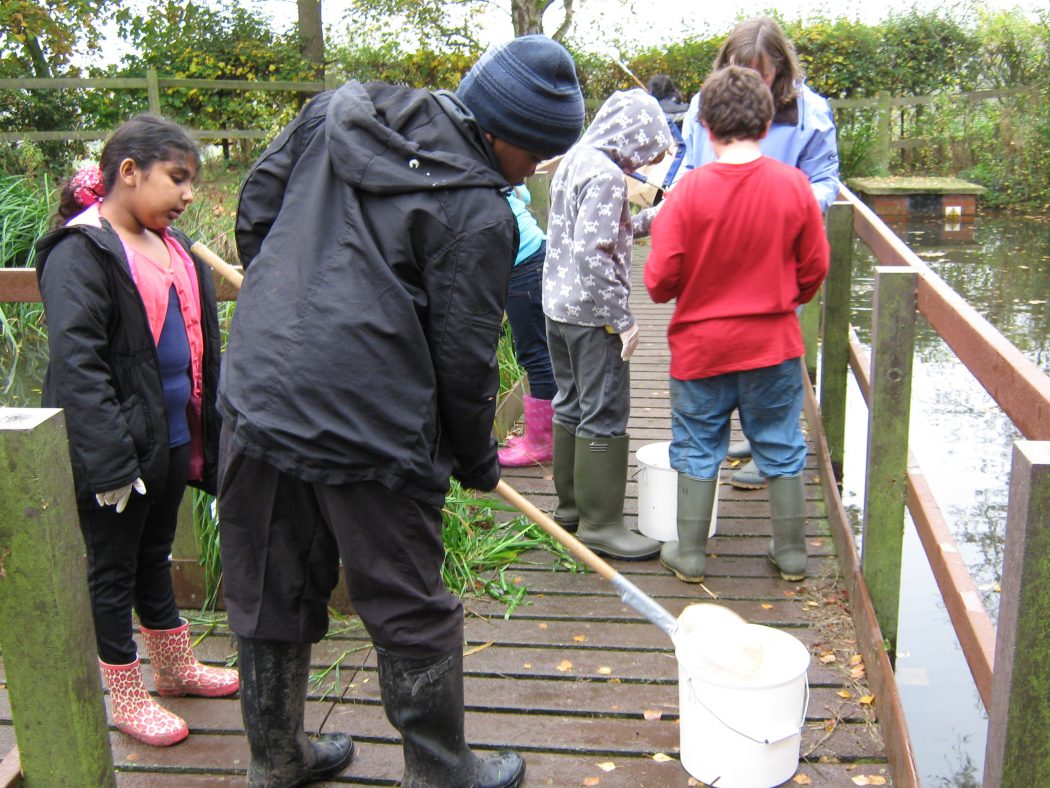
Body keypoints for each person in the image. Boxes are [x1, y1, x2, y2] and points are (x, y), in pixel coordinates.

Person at [217, 35, 585, 788]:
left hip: (259, 389)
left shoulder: (337, 111)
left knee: (268, 577)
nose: (534, 171)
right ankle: (441, 770)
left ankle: (276, 758)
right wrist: (476, 460)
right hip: (371, 420)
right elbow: (463, 362)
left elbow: (256, 211)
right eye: (539, 155)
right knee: (406, 596)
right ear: (507, 134)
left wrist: (293, 301)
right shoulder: (481, 215)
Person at [34, 114, 234, 747]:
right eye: (176, 178)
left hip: (171, 434)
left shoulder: (169, 245)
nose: (187, 194)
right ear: (129, 171)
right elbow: (78, 364)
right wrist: (111, 463)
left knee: (155, 554)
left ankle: (173, 669)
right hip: (117, 448)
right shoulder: (82, 249)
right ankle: (124, 693)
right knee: (113, 566)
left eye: (191, 182)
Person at [645, 65, 830, 584]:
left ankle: (690, 555)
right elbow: (815, 268)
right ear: (767, 122)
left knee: (698, 446)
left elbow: (659, 282)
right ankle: (791, 554)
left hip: (701, 352)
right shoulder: (794, 187)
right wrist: (780, 300)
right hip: (773, 346)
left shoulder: (687, 193)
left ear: (704, 125)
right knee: (778, 440)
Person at [677, 16, 840, 490]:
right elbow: (688, 163)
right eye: (738, 67)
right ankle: (754, 437)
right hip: (713, 254)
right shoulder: (700, 107)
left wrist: (791, 206)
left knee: (768, 357)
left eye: (759, 70)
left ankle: (768, 442)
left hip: (776, 256)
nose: (749, 78)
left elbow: (826, 177)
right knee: (726, 357)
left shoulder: (809, 113)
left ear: (780, 70)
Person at [542, 88, 673, 561]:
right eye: (650, 147)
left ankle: (572, 509)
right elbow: (592, 253)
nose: (648, 158)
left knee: (572, 404)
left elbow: (598, 229)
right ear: (634, 136)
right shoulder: (607, 176)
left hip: (558, 310)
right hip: (594, 317)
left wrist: (654, 218)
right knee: (606, 412)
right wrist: (622, 319)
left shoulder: (577, 159)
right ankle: (602, 525)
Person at [498, 183, 556, 467]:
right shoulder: (495, 164)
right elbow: (525, 194)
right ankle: (540, 436)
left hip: (523, 264)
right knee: (539, 351)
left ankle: (542, 443)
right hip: (534, 255)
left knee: (535, 354)